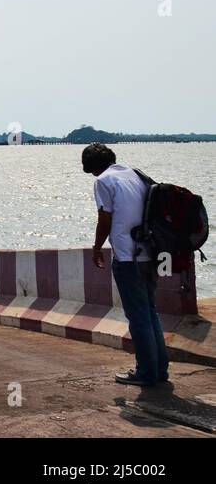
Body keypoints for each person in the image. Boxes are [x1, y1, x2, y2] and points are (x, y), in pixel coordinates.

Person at [82, 143, 169, 387]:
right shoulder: (135, 175)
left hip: (128, 257)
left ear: (91, 167)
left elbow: (105, 219)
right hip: (149, 253)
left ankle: (146, 373)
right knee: (151, 312)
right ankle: (160, 370)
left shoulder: (104, 182)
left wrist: (97, 247)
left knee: (138, 316)